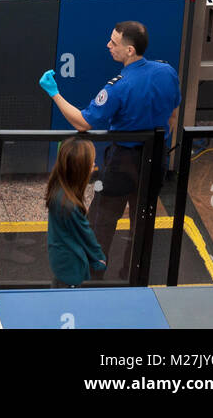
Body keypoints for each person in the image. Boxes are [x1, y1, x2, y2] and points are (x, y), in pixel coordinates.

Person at [37, 21, 180, 280]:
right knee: (143, 219)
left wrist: (54, 93)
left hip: (122, 163)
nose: (108, 46)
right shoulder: (167, 72)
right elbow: (173, 113)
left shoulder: (120, 86)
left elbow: (83, 122)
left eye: (114, 43)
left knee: (102, 219)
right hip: (156, 157)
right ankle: (134, 274)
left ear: (129, 50)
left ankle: (93, 278)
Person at [45, 138, 107, 288]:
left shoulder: (59, 189)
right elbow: (85, 233)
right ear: (80, 169)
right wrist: (99, 259)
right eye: (91, 162)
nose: (94, 164)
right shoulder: (69, 205)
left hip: (60, 261)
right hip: (71, 268)